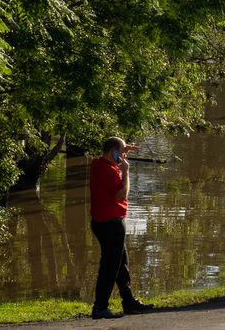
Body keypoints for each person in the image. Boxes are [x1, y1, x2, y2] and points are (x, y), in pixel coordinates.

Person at [88, 137, 154, 320]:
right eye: (122, 151)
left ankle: (129, 302)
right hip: (110, 224)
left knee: (121, 264)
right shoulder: (109, 170)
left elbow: (111, 152)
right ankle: (100, 307)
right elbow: (122, 194)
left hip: (103, 222)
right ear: (113, 152)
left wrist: (123, 149)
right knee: (110, 266)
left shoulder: (98, 164)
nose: (125, 155)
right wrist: (126, 171)